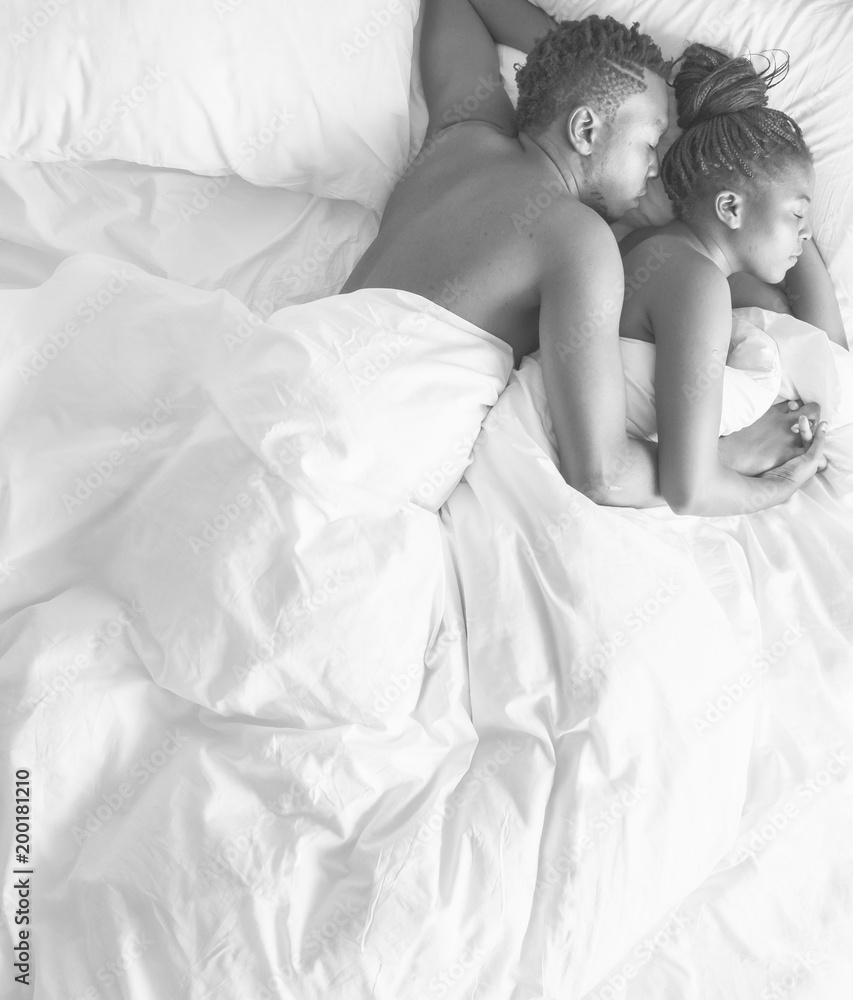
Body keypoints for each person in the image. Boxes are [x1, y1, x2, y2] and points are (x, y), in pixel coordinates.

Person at [341, 0, 825, 508]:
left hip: (281, 369)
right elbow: (600, 474)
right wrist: (732, 456)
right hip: (367, 457)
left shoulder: (464, 130)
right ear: (587, 130)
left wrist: (586, 67)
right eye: (652, 142)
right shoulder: (582, 241)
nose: (658, 171)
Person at [618, 42, 843, 515]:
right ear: (730, 208)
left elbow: (828, 353)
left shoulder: (651, 251)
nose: (808, 236)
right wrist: (784, 480)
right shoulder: (695, 284)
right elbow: (690, 491)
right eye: (799, 214)